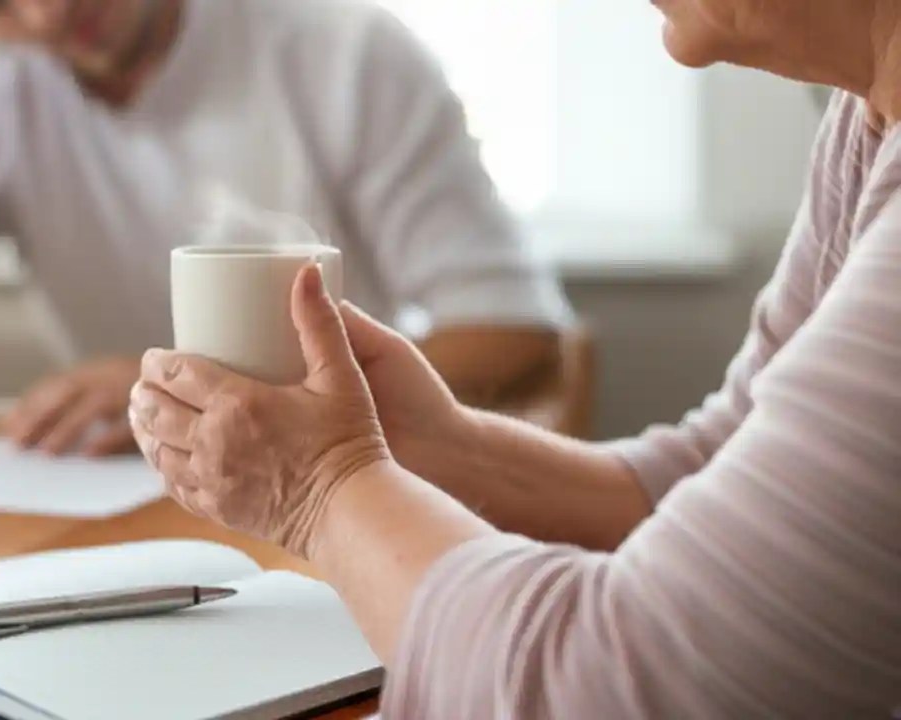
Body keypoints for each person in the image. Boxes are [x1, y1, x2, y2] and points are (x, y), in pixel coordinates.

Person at [130, 0, 901, 715]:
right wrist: (440, 448)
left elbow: (612, 686)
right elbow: (713, 469)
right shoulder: (867, 116)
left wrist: (322, 488)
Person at [0, 0, 571, 456]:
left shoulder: (342, 52)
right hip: (129, 515)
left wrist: (201, 388)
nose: (47, 14)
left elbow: (519, 342)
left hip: (336, 497)